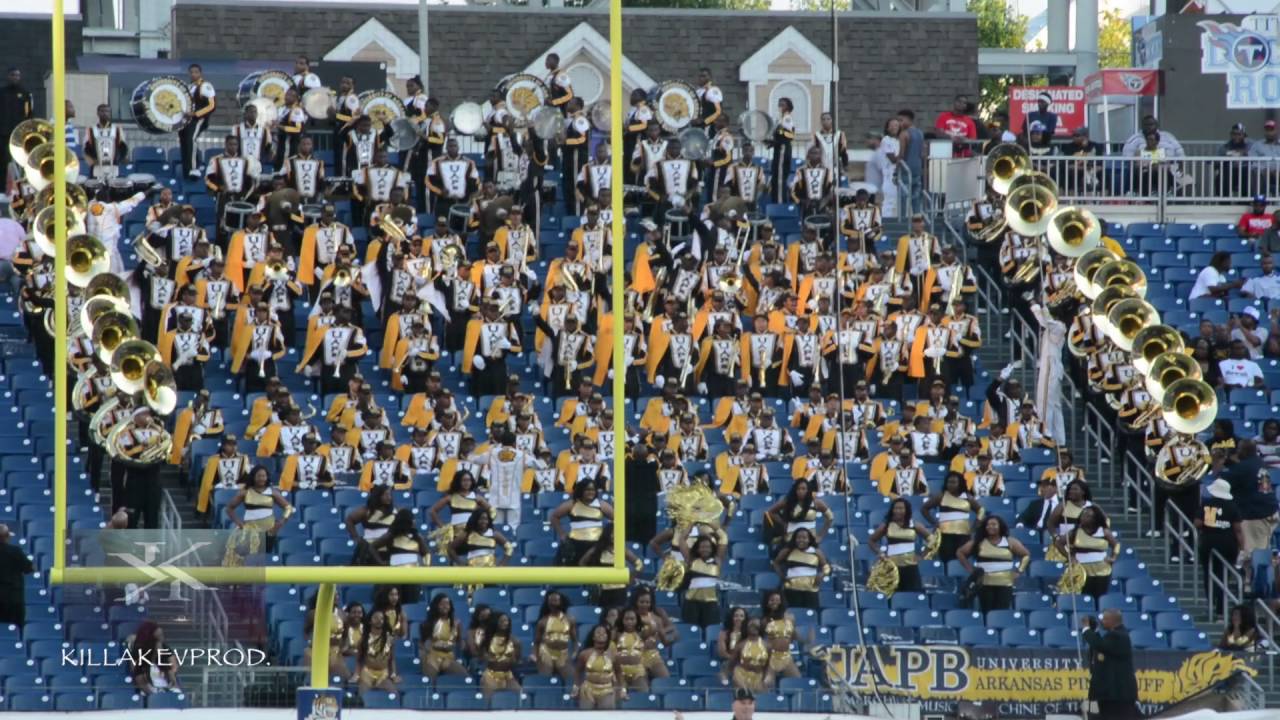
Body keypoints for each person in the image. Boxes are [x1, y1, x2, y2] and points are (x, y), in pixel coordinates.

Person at [956, 515, 1030, 613]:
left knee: (1002, 612)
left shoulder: (1010, 542)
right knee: (987, 612)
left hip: (1004, 584)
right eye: (988, 525)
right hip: (984, 583)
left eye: (994, 524)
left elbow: (1026, 555)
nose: (990, 526)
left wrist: (1019, 571)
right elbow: (960, 552)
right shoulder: (979, 542)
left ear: (1000, 526)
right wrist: (970, 569)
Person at [1081, 609, 1139, 720]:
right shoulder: (1112, 636)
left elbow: (1100, 644)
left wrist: (1086, 629)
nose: (1102, 621)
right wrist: (1095, 630)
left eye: (1105, 619)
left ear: (1113, 620)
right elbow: (1099, 649)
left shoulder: (1118, 636)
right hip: (1108, 694)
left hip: (1118, 694)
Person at [574, 624, 624, 709]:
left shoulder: (613, 655)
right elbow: (578, 671)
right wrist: (576, 687)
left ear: (608, 637)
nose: (601, 634)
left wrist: (622, 689)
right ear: (593, 637)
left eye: (604, 633)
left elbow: (619, 672)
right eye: (598, 632)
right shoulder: (584, 654)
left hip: (607, 690)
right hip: (588, 689)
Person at [418, 593, 467, 679]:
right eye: (442, 604)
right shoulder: (429, 623)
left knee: (466, 678)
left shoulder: (457, 623)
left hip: (449, 657)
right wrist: (424, 655)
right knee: (430, 682)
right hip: (433, 656)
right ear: (436, 606)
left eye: (447, 604)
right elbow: (421, 643)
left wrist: (460, 645)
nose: (445, 606)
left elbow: (461, 643)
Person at [180, 64, 216, 179]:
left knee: (191, 139)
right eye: (191, 72)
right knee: (184, 141)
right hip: (187, 120)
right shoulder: (189, 87)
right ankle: (186, 169)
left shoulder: (205, 86)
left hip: (198, 119)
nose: (193, 74)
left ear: (200, 73)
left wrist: (196, 114)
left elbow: (212, 105)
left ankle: (194, 168)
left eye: (196, 72)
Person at [356, 609, 399, 694]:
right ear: (370, 621)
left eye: (382, 618)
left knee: (394, 694)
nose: (379, 620)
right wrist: (357, 675)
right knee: (361, 696)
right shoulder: (363, 639)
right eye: (376, 618)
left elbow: (392, 659)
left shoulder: (389, 639)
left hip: (383, 674)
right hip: (367, 673)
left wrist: (394, 674)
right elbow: (359, 660)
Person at [129, 621, 180, 694]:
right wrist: (153, 696)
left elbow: (174, 668)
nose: (162, 641)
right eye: (159, 637)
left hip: (167, 692)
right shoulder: (140, 661)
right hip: (150, 694)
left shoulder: (165, 660)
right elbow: (139, 679)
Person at [0, 524, 33, 625]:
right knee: (17, 628)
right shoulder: (15, 551)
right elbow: (28, 568)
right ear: (6, 537)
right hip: (13, 598)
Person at [897, 109, 925, 215]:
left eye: (901, 120)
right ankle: (917, 218)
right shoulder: (920, 133)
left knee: (903, 198)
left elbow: (901, 154)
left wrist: (896, 171)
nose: (899, 123)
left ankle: (903, 221)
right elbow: (922, 153)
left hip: (906, 169)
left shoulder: (904, 134)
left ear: (909, 120)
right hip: (917, 169)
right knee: (916, 198)